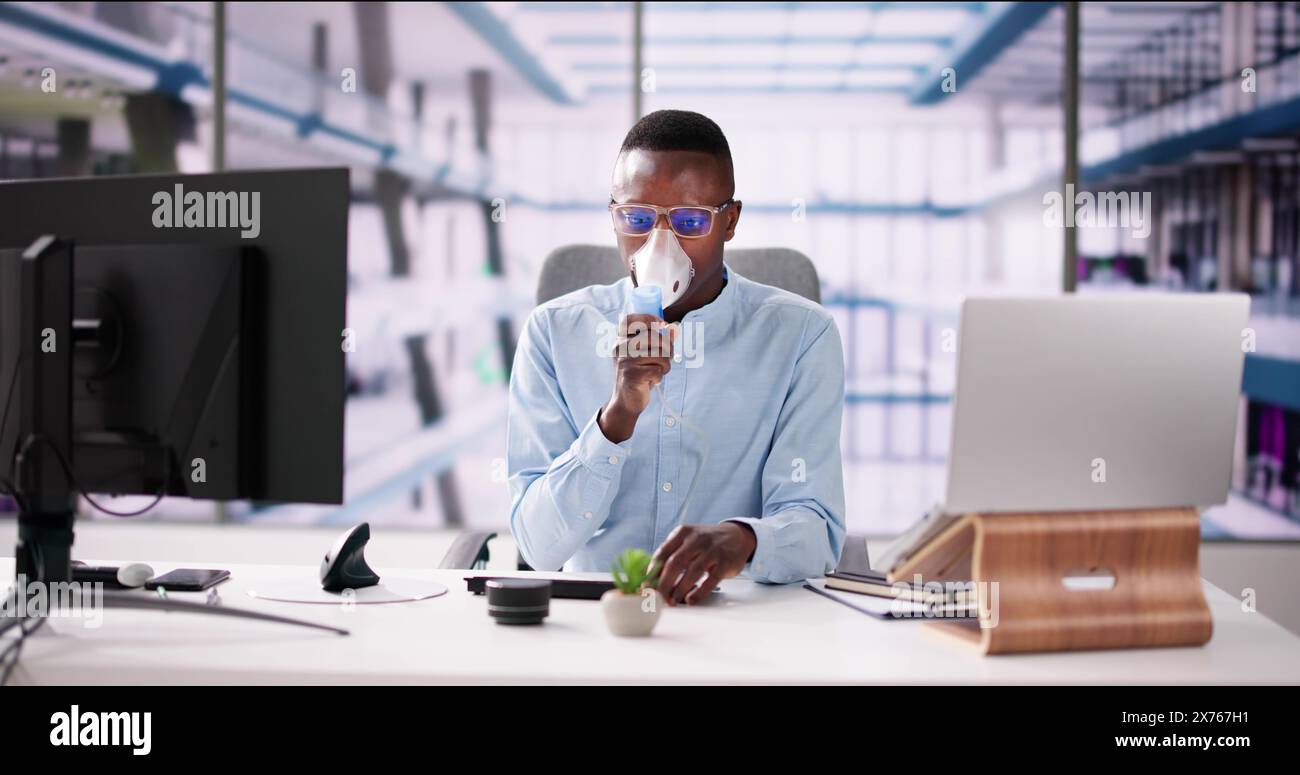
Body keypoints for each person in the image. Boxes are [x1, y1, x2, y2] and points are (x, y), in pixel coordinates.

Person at [507, 109, 845, 605]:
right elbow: (538, 546)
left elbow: (818, 533)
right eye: (637, 219)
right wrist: (616, 417)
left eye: (689, 221)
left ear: (729, 221)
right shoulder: (553, 333)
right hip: (601, 622)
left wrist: (743, 540)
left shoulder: (801, 336)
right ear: (614, 216)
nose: (658, 244)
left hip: (739, 622)